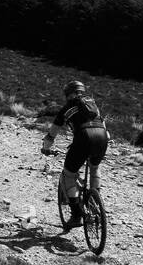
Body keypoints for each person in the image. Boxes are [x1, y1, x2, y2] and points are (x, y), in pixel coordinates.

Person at [41, 81, 110, 229]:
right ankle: (95, 201)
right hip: (102, 137)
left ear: (68, 94)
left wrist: (46, 147)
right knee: (94, 166)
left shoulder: (67, 107)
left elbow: (52, 133)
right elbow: (104, 126)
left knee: (68, 175)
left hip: (84, 137)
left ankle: (76, 215)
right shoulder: (93, 104)